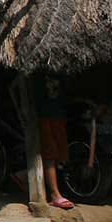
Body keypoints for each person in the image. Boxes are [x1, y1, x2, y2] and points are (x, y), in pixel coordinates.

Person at [34, 74, 74, 209]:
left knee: (61, 154)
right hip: (44, 117)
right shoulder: (37, 74)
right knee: (49, 154)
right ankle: (55, 194)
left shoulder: (62, 72)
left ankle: (58, 191)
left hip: (59, 116)